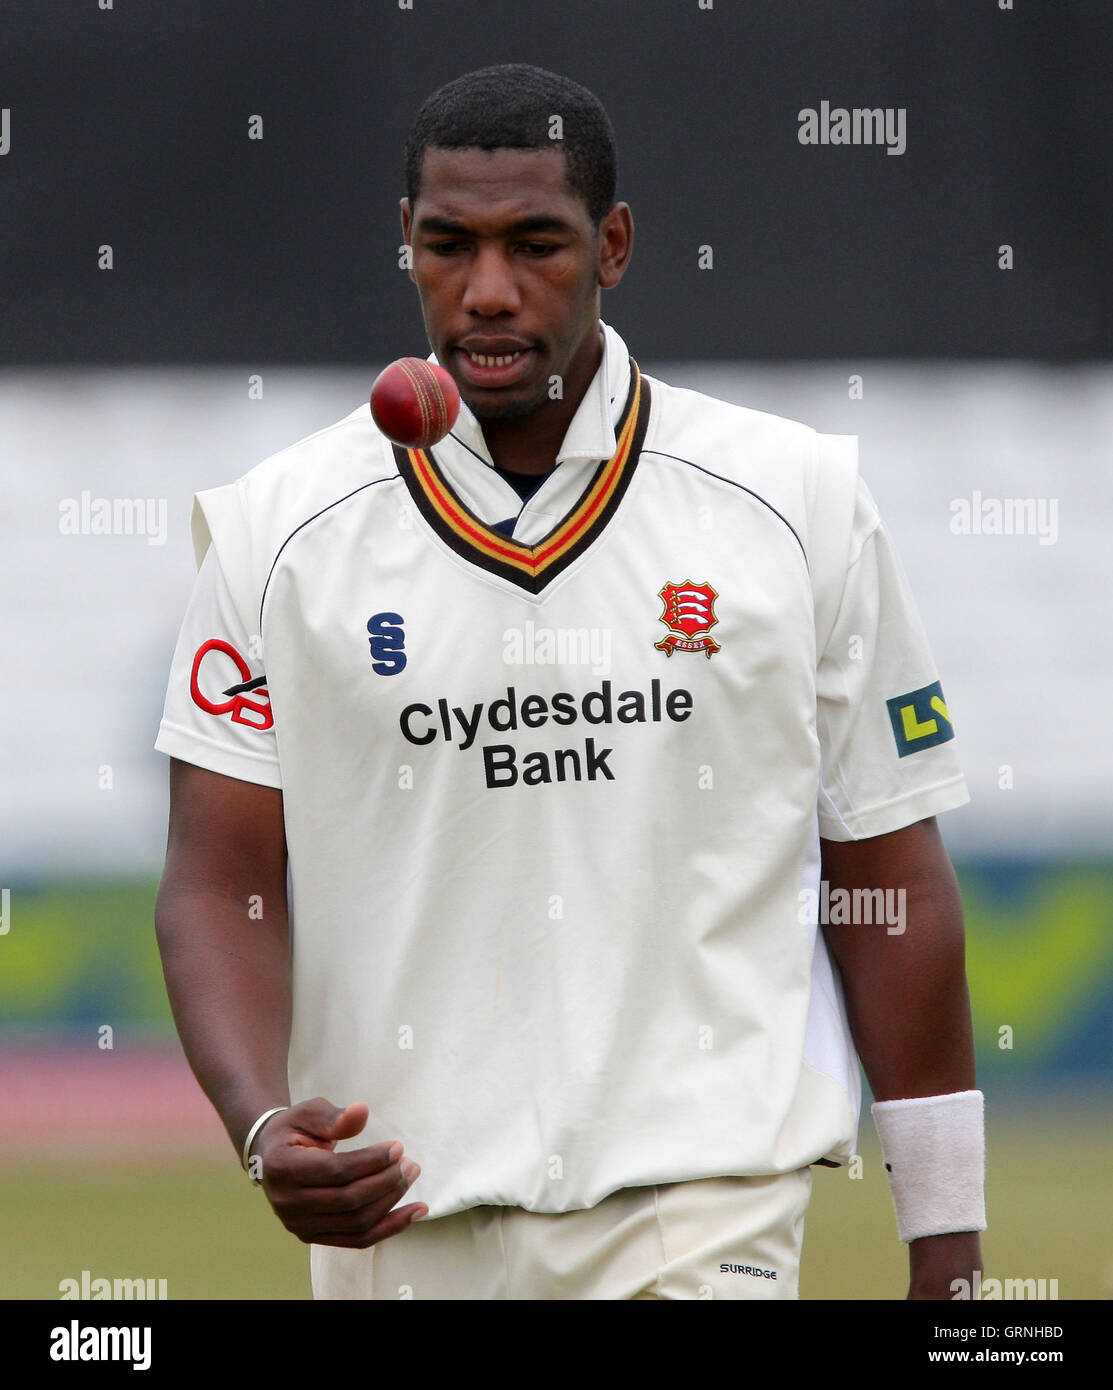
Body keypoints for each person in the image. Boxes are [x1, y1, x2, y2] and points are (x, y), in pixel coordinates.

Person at [153, 63, 985, 1301]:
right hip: (400, 1224)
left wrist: (949, 1246)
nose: (488, 291)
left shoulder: (794, 500)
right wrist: (265, 1129)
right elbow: (219, 884)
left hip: (701, 1214)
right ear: (406, 246)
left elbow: (887, 874)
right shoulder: (280, 533)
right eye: (449, 246)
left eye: (535, 243)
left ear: (614, 244)